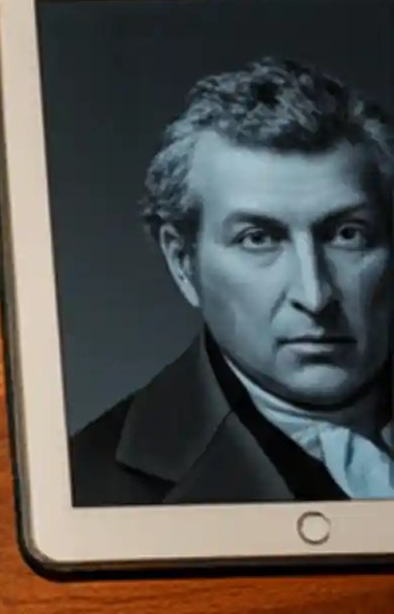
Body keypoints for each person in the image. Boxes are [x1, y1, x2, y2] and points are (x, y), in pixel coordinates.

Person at [70, 57, 394, 506]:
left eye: (346, 235)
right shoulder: (91, 489)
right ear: (183, 262)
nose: (315, 296)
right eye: (258, 238)